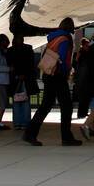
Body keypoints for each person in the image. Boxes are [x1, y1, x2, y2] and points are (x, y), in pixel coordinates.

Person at [23, 18, 81, 146]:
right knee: (66, 107)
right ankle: (66, 137)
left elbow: (46, 55)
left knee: (46, 106)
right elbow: (62, 58)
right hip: (58, 76)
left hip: (49, 75)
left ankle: (30, 133)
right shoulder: (65, 40)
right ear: (71, 28)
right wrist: (68, 71)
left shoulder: (53, 39)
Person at [6, 34, 37, 130]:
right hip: (18, 78)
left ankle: (23, 122)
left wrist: (22, 75)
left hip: (22, 78)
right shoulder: (13, 51)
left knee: (22, 101)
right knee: (19, 101)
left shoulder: (15, 50)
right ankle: (19, 122)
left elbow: (30, 64)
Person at [73, 37, 94, 118]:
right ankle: (81, 113)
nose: (88, 46)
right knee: (83, 96)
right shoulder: (81, 52)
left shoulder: (86, 52)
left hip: (85, 77)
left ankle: (84, 112)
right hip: (82, 77)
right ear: (84, 45)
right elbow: (75, 63)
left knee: (86, 96)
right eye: (87, 45)